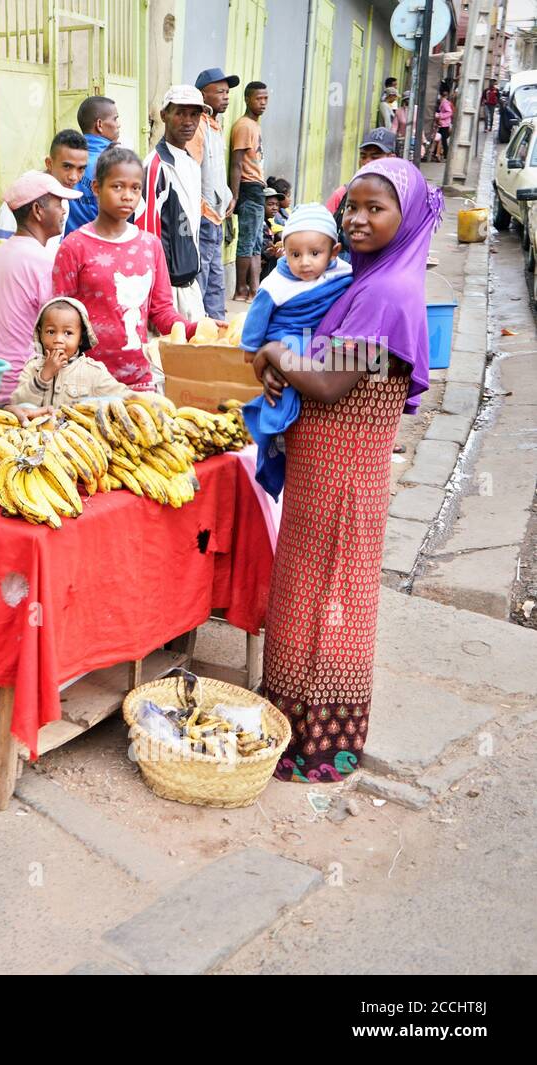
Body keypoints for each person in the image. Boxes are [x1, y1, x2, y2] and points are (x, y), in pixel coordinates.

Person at [249, 158, 442, 783]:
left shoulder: (384, 293)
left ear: (405, 217)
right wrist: (283, 360)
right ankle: (293, 731)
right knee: (311, 597)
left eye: (374, 209)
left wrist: (274, 351)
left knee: (326, 604)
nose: (356, 220)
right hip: (323, 471)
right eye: (350, 207)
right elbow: (323, 358)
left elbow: (329, 382)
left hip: (343, 476)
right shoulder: (362, 280)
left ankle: (317, 748)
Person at [54, 146, 196, 391]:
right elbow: (58, 316)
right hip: (85, 383)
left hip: (139, 380)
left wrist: (196, 329)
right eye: (117, 186)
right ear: (97, 188)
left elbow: (161, 311)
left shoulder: (150, 245)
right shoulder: (74, 246)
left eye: (135, 188)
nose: (128, 196)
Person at [238, 202, 354, 498]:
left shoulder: (342, 275)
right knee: (286, 374)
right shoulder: (277, 281)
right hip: (287, 334)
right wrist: (253, 349)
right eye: (295, 254)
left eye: (315, 254)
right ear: (283, 251)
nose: (304, 263)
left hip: (318, 341)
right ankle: (276, 428)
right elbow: (257, 315)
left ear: (334, 252)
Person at [0, 170, 80, 401]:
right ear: (37, 211)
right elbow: (61, 331)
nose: (64, 210)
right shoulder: (43, 263)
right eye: (58, 203)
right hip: (24, 387)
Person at [136, 85, 207, 319]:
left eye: (194, 114)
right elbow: (147, 236)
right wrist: (156, 299)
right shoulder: (156, 167)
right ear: (164, 115)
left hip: (189, 285)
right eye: (180, 113)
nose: (188, 121)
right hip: (167, 292)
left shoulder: (190, 163)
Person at [8, 296, 128, 408]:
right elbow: (18, 404)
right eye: (50, 332)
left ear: (80, 338)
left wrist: (144, 399)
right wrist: (44, 376)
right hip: (35, 430)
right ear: (40, 334)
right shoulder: (33, 367)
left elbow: (124, 396)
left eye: (68, 333)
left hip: (75, 431)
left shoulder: (93, 372)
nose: (58, 340)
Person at [187, 67, 239, 320]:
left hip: (217, 216)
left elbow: (216, 168)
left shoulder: (215, 126)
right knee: (204, 276)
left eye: (227, 92)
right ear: (202, 95)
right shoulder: (197, 127)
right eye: (219, 91)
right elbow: (192, 170)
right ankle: (199, 330)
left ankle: (217, 329)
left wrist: (227, 195)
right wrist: (202, 209)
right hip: (205, 216)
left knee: (217, 279)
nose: (225, 97)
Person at [0, 129, 87, 251]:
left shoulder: (63, 202)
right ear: (49, 163)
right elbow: (5, 257)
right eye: (67, 166)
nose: (74, 177)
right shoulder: (21, 199)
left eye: (81, 169)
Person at [325, 128, 396, 257]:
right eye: (363, 156)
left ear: (392, 158)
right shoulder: (342, 194)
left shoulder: (400, 199)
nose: (367, 162)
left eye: (375, 156)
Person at [230, 80, 269, 301]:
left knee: (255, 242)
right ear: (247, 99)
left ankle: (254, 290)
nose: (263, 103)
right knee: (247, 242)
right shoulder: (244, 126)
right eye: (258, 98)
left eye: (265, 99)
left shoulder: (254, 125)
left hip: (257, 188)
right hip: (248, 186)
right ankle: (240, 290)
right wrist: (235, 196)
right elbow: (236, 163)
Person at [66, 95, 121, 235]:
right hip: (102, 248)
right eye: (115, 119)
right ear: (99, 125)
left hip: (68, 245)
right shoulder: (112, 164)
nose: (118, 124)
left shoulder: (65, 162)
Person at [260, 186, 284, 278]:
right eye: (270, 204)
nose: (275, 208)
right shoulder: (260, 224)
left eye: (277, 205)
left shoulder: (267, 223)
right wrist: (273, 253)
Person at [435, 89, 454, 161]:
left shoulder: (445, 103)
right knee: (441, 140)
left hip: (444, 124)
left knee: (443, 140)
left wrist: (440, 116)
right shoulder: (443, 102)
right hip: (443, 124)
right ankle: (440, 154)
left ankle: (446, 154)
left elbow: (449, 112)